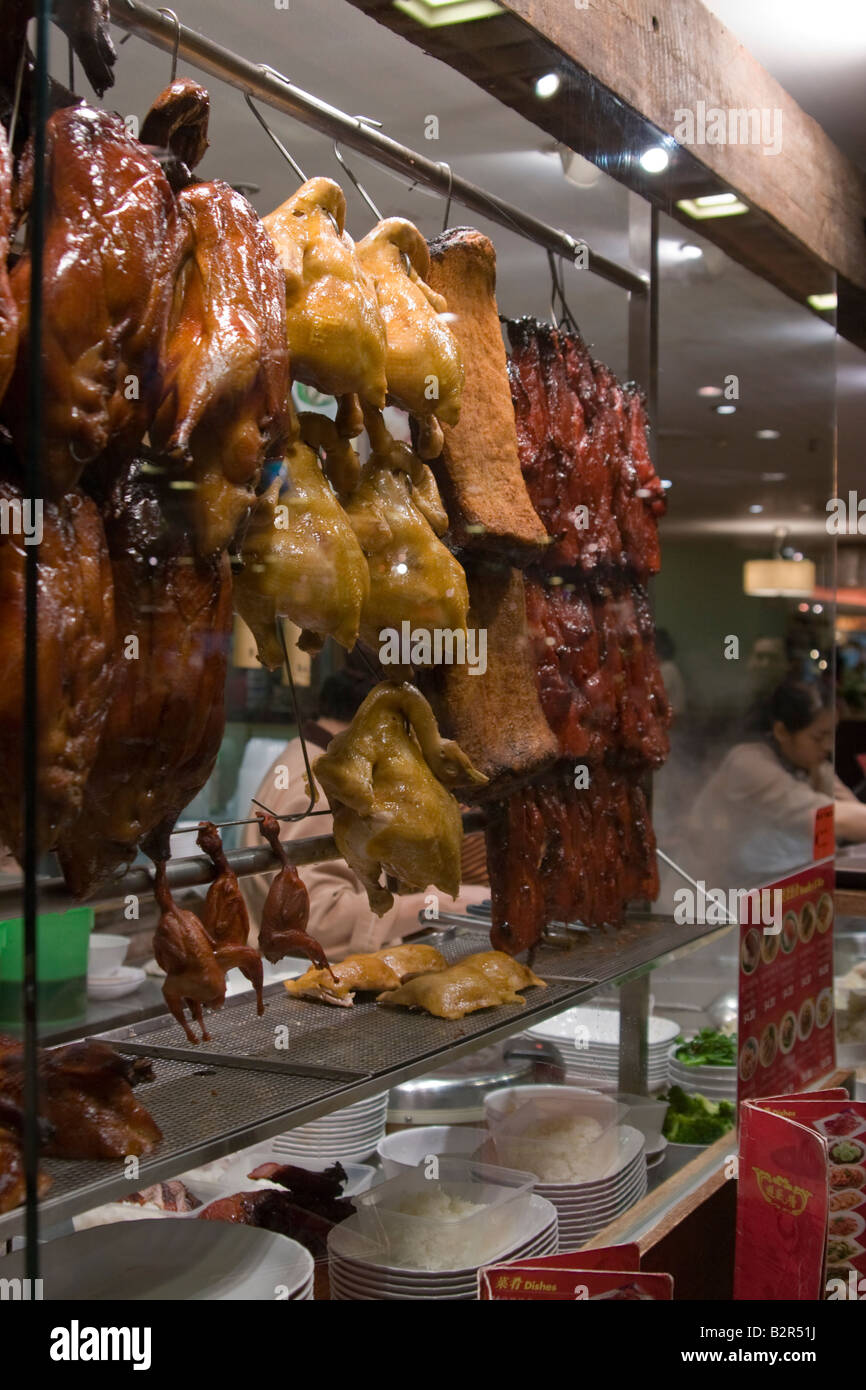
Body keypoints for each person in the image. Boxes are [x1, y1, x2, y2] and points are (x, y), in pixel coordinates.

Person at [240, 661, 490, 958]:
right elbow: (316, 918)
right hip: (305, 978)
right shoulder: (317, 785)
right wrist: (440, 904)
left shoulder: (315, 758)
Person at [668, 678, 866, 896]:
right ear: (781, 731)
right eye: (819, 737)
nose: (828, 747)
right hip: (703, 899)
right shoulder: (748, 764)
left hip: (763, 888)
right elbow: (829, 816)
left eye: (832, 735)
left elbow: (853, 814)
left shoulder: (814, 765)